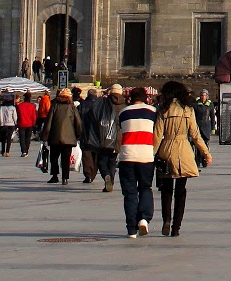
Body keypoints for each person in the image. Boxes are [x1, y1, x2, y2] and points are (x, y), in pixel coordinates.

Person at [154, 80, 211, 238]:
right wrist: (206, 153)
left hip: (166, 149)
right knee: (181, 191)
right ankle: (176, 227)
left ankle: (166, 219)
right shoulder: (188, 110)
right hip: (184, 149)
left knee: (166, 190)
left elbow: (157, 136)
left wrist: (151, 154)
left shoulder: (163, 110)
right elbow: (195, 135)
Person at [117, 87, 157, 237]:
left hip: (127, 155)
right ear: (146, 98)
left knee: (130, 193)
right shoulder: (152, 111)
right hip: (145, 155)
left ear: (130, 99)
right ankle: (144, 219)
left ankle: (131, 229)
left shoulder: (123, 112)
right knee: (145, 188)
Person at [44, 87, 82, 185]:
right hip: (69, 137)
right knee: (66, 158)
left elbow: (48, 122)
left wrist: (45, 135)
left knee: (54, 157)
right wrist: (78, 135)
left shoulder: (54, 105)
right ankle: (65, 178)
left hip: (55, 136)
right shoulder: (72, 106)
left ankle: (54, 176)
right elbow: (78, 123)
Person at [79, 87, 109, 184]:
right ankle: (93, 174)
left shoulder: (82, 105)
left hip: (85, 133)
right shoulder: (101, 105)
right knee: (96, 155)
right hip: (98, 134)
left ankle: (88, 174)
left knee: (86, 155)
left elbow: (78, 121)